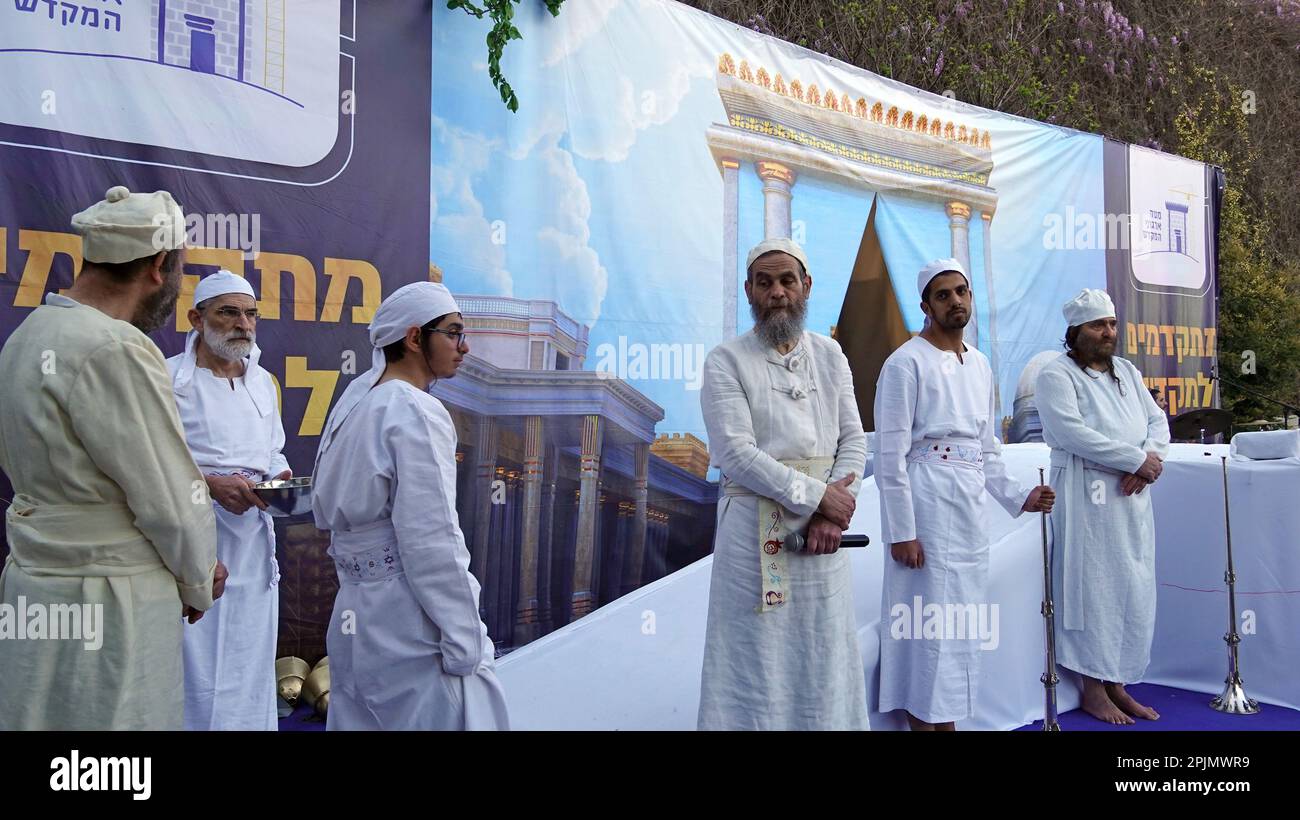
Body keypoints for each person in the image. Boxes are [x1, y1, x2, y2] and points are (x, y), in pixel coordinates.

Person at [0, 185, 222, 729]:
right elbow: (170, 499)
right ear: (159, 266)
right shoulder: (116, 347)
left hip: (33, 590)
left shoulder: (27, 336)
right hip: (110, 600)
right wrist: (198, 579)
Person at [312, 281, 508, 730]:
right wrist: (465, 639)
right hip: (408, 624)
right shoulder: (415, 409)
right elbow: (432, 539)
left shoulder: (356, 402)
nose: (465, 346)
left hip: (354, 616)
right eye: (454, 333)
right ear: (415, 338)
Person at [697, 237, 869, 730]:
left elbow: (854, 441)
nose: (778, 293)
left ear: (806, 286)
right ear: (749, 291)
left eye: (787, 281)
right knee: (756, 661)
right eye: (765, 282)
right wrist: (820, 499)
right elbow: (737, 455)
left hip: (824, 539)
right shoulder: (725, 360)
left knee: (823, 657)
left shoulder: (831, 355)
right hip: (754, 539)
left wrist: (830, 512)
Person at [875, 258, 1054, 731]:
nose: (955, 301)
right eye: (943, 295)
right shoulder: (904, 363)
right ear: (926, 306)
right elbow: (890, 456)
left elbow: (987, 449)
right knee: (926, 623)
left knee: (960, 625)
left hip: (969, 507)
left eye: (962, 291)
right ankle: (924, 724)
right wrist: (902, 532)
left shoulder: (979, 364)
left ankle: (949, 721)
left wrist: (1020, 497)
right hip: (927, 502)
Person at [1035, 288, 1170, 725]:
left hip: (1131, 500)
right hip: (1085, 497)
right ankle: (1093, 688)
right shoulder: (1057, 375)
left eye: (1112, 323)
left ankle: (1118, 682)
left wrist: (1149, 459)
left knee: (1130, 587)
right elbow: (1071, 433)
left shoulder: (1127, 372)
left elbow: (1156, 422)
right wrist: (1135, 460)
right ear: (1075, 333)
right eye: (1098, 325)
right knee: (1093, 588)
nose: (1108, 332)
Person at [168, 270, 290, 730]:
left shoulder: (262, 382)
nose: (243, 323)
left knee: (248, 658)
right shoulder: (163, 378)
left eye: (251, 313)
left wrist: (277, 476)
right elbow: (148, 465)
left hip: (255, 550)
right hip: (191, 544)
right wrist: (210, 484)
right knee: (191, 660)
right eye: (229, 312)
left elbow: (273, 449)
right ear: (196, 319)